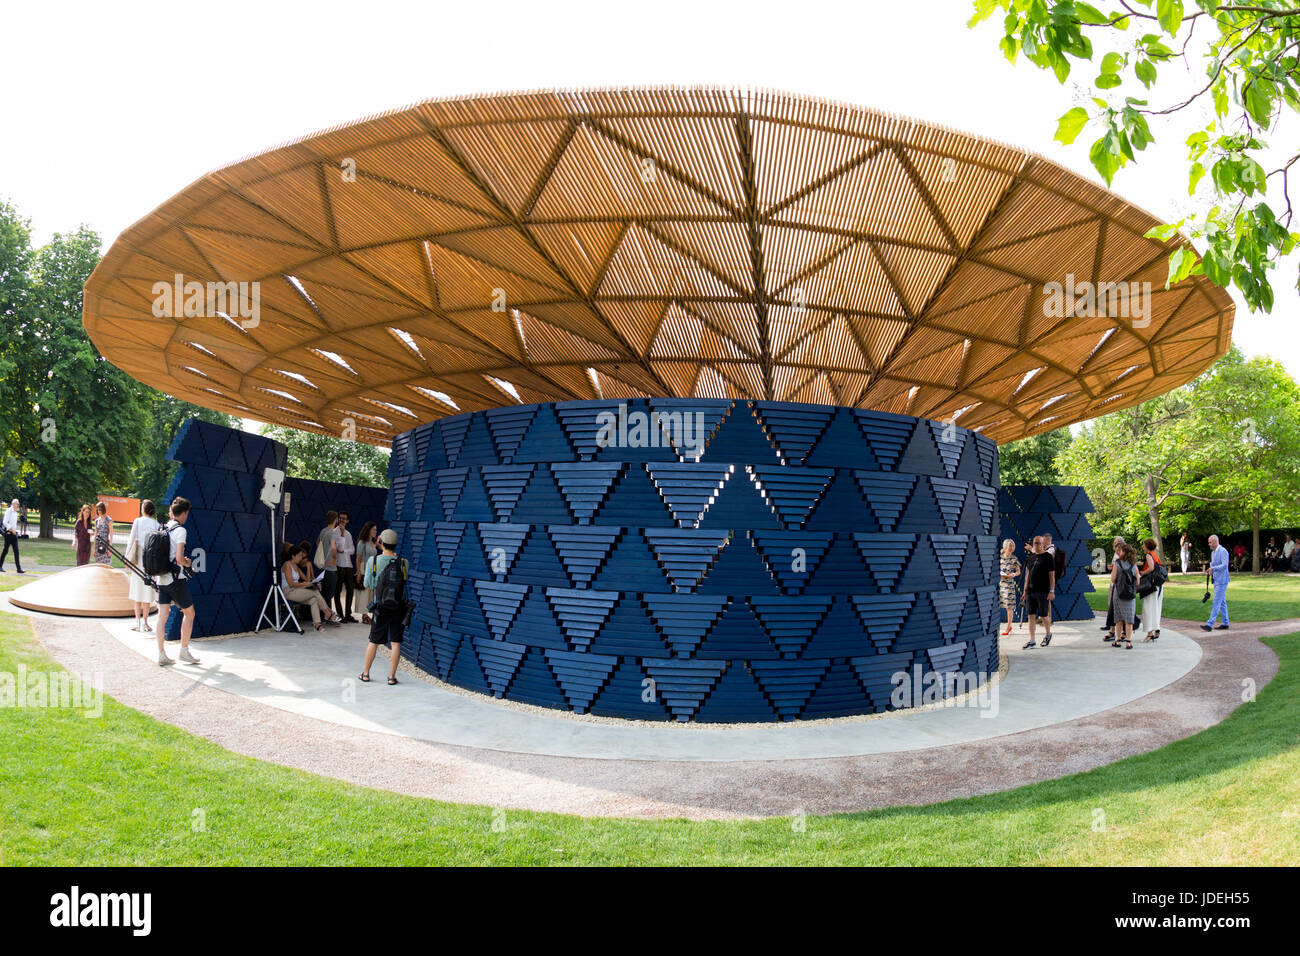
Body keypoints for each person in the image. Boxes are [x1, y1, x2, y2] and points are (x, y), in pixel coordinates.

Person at [153, 497, 200, 666]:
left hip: (161, 578)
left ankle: (161, 654)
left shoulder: (164, 527)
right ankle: (184, 650)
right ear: (185, 513)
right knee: (190, 613)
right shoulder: (181, 531)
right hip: (176, 580)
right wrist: (188, 562)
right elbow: (179, 558)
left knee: (162, 617)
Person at [360, 528, 409, 685]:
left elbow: (367, 583)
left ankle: (366, 674)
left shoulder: (373, 561)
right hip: (398, 607)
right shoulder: (403, 563)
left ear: (381, 542)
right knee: (395, 642)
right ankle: (391, 677)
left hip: (380, 608)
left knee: (373, 641)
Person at [281, 544, 338, 630]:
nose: (301, 558)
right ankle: (327, 612)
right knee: (315, 592)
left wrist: (308, 567)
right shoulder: (287, 565)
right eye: (299, 556)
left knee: (313, 600)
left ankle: (317, 624)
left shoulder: (296, 566)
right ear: (293, 556)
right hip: (289, 591)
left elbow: (307, 580)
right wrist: (305, 584)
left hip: (297, 590)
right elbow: (291, 584)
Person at [123, 500, 160, 632]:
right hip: (150, 560)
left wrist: (127, 558)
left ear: (143, 509)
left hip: (138, 558)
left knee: (137, 589)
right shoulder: (156, 524)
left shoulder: (137, 521)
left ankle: (137, 621)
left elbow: (131, 540)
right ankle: (145, 622)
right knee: (147, 590)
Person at [1021, 536, 1056, 649]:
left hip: (1043, 591)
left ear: (1042, 544)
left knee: (1043, 615)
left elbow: (1052, 576)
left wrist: (1051, 591)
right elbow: (1027, 575)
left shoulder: (1048, 557)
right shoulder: (1031, 558)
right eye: (1034, 543)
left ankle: (1048, 634)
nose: (1036, 545)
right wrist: (1025, 591)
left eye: (1038, 543)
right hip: (1031, 591)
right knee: (1031, 615)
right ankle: (1032, 640)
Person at [1110, 541, 1139, 650]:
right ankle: (1128, 642)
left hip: (1119, 593)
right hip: (1130, 595)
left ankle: (1118, 640)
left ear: (1123, 552)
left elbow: (1113, 579)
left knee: (1118, 618)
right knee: (1129, 618)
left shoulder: (1117, 563)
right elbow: (1138, 581)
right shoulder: (1133, 565)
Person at [1202, 534, 1231, 632]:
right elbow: (1213, 564)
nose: (1209, 544)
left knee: (1216, 602)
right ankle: (1225, 623)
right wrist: (1210, 570)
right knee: (1222, 602)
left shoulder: (1223, 551)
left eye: (1210, 542)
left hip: (1222, 580)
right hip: (1216, 580)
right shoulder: (1213, 553)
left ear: (1215, 541)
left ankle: (1209, 624)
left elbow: (1224, 565)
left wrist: (1213, 568)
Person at [333, 510, 357, 623]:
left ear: (347, 521)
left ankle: (348, 614)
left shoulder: (349, 534)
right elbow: (338, 547)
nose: (342, 520)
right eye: (340, 518)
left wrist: (344, 551)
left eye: (344, 518)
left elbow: (352, 550)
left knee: (350, 591)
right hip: (339, 565)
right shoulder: (334, 532)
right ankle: (340, 614)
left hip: (348, 565)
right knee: (337, 591)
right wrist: (341, 534)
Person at [1139, 538, 1164, 642]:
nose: (1143, 547)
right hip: (1158, 585)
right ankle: (1156, 630)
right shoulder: (1155, 555)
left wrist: (1142, 573)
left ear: (1147, 546)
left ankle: (1149, 633)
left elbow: (1151, 568)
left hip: (1151, 585)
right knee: (1156, 607)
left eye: (1144, 545)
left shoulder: (1149, 555)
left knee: (1148, 608)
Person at [316, 511, 340, 614]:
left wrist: (324, 554)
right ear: (335, 520)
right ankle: (328, 615)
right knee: (329, 593)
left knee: (324, 593)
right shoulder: (333, 533)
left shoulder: (323, 531)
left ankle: (325, 614)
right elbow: (334, 547)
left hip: (322, 566)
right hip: (331, 568)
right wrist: (334, 559)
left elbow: (318, 543)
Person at [354, 521, 378, 625]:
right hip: (364, 567)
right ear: (368, 530)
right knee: (364, 592)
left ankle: (369, 613)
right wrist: (358, 572)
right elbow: (358, 558)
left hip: (373, 569)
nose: (375, 531)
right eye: (373, 529)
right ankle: (364, 615)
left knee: (371, 593)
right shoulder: (362, 543)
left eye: (376, 530)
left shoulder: (372, 543)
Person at [1102, 536, 1125, 642]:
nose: (1114, 545)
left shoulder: (1123, 557)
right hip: (1114, 584)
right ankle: (1112, 630)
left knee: (1119, 609)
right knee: (1112, 607)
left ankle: (1121, 633)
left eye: (1116, 544)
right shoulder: (1117, 556)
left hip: (1120, 586)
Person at [998, 538, 1021, 636]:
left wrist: (1014, 575)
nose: (1011, 548)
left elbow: (1018, 572)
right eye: (1010, 546)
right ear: (1005, 546)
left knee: (1009, 607)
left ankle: (1008, 627)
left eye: (1013, 546)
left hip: (1009, 585)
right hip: (999, 584)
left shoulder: (1014, 559)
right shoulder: (999, 558)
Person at [0, 499, 24, 574]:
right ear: (13, 504)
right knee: (5, 550)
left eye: (18, 504)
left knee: (16, 551)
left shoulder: (15, 513)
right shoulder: (9, 511)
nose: (18, 506)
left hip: (14, 534)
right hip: (9, 534)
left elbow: (14, 523)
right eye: (17, 504)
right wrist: (11, 529)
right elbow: (4, 522)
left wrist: (15, 531)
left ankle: (18, 569)